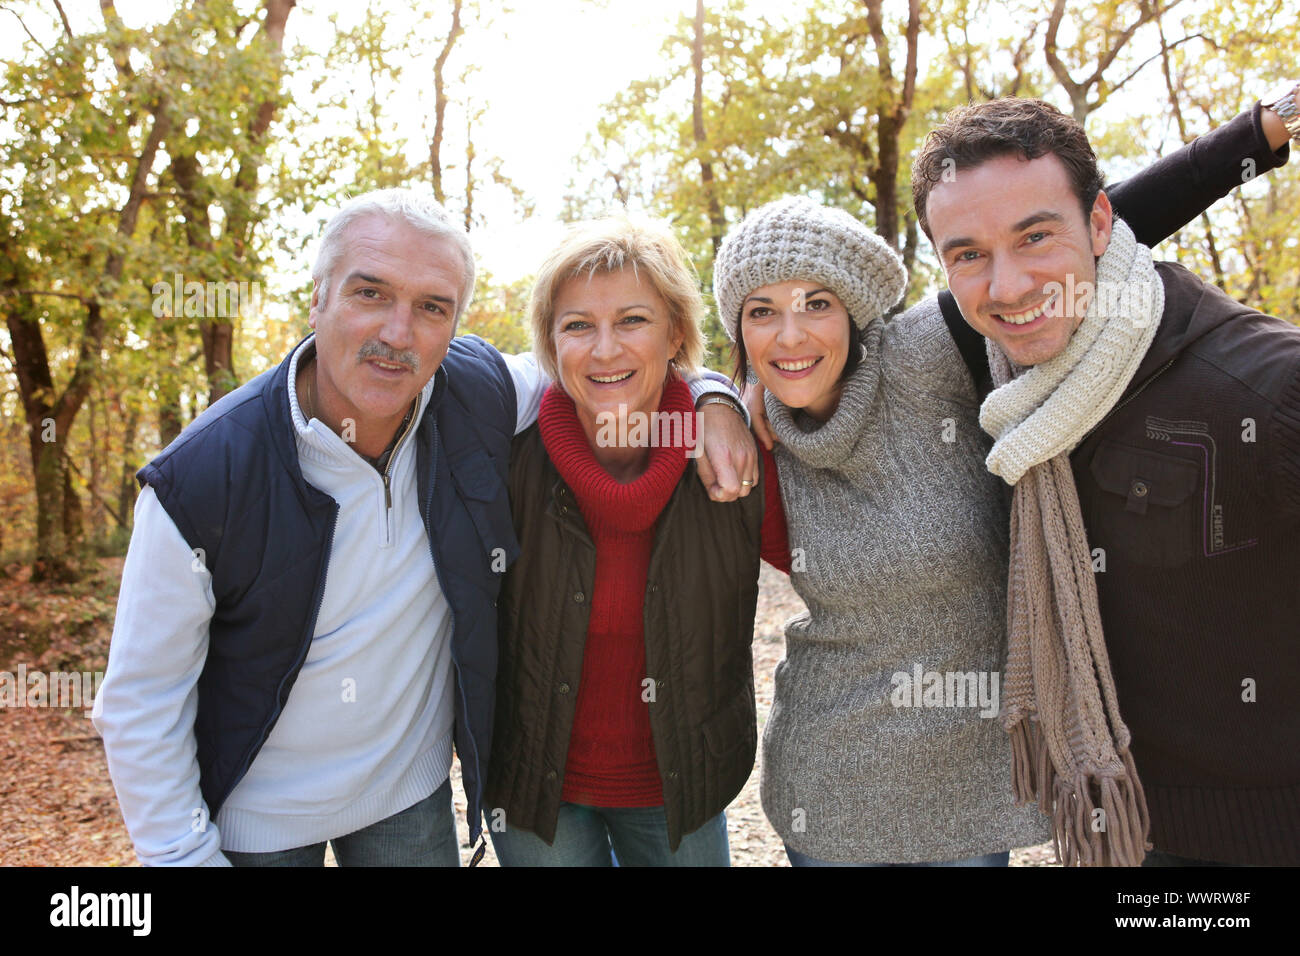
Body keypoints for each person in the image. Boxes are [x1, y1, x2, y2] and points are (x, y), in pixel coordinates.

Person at [92, 189, 755, 867]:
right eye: (370, 294)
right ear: (316, 298)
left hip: (406, 804)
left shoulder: (477, 397)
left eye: (432, 307)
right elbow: (142, 698)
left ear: (455, 322)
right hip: (257, 820)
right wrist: (181, 856)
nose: (398, 334)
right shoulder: (203, 477)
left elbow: (613, 371)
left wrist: (715, 397)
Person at [720, 100, 1294, 866]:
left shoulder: (929, 357)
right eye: (762, 313)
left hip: (977, 788)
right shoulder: (740, 437)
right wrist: (714, 398)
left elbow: (1069, 230)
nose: (791, 335)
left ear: (857, 314)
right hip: (826, 787)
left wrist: (1257, 134)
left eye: (818, 304)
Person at [911, 90, 1300, 866]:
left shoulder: (1268, 388)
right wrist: (725, 396)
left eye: (1036, 236)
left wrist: (1262, 130)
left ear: (1100, 225)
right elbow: (817, 354)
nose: (1009, 286)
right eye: (968, 254)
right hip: (1114, 829)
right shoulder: (993, 360)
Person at [483, 217, 790, 866]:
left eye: (632, 321)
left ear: (676, 332)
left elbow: (846, 574)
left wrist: (741, 399)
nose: (604, 351)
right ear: (549, 344)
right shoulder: (505, 463)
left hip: (680, 787)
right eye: (577, 326)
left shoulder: (735, 458)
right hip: (536, 792)